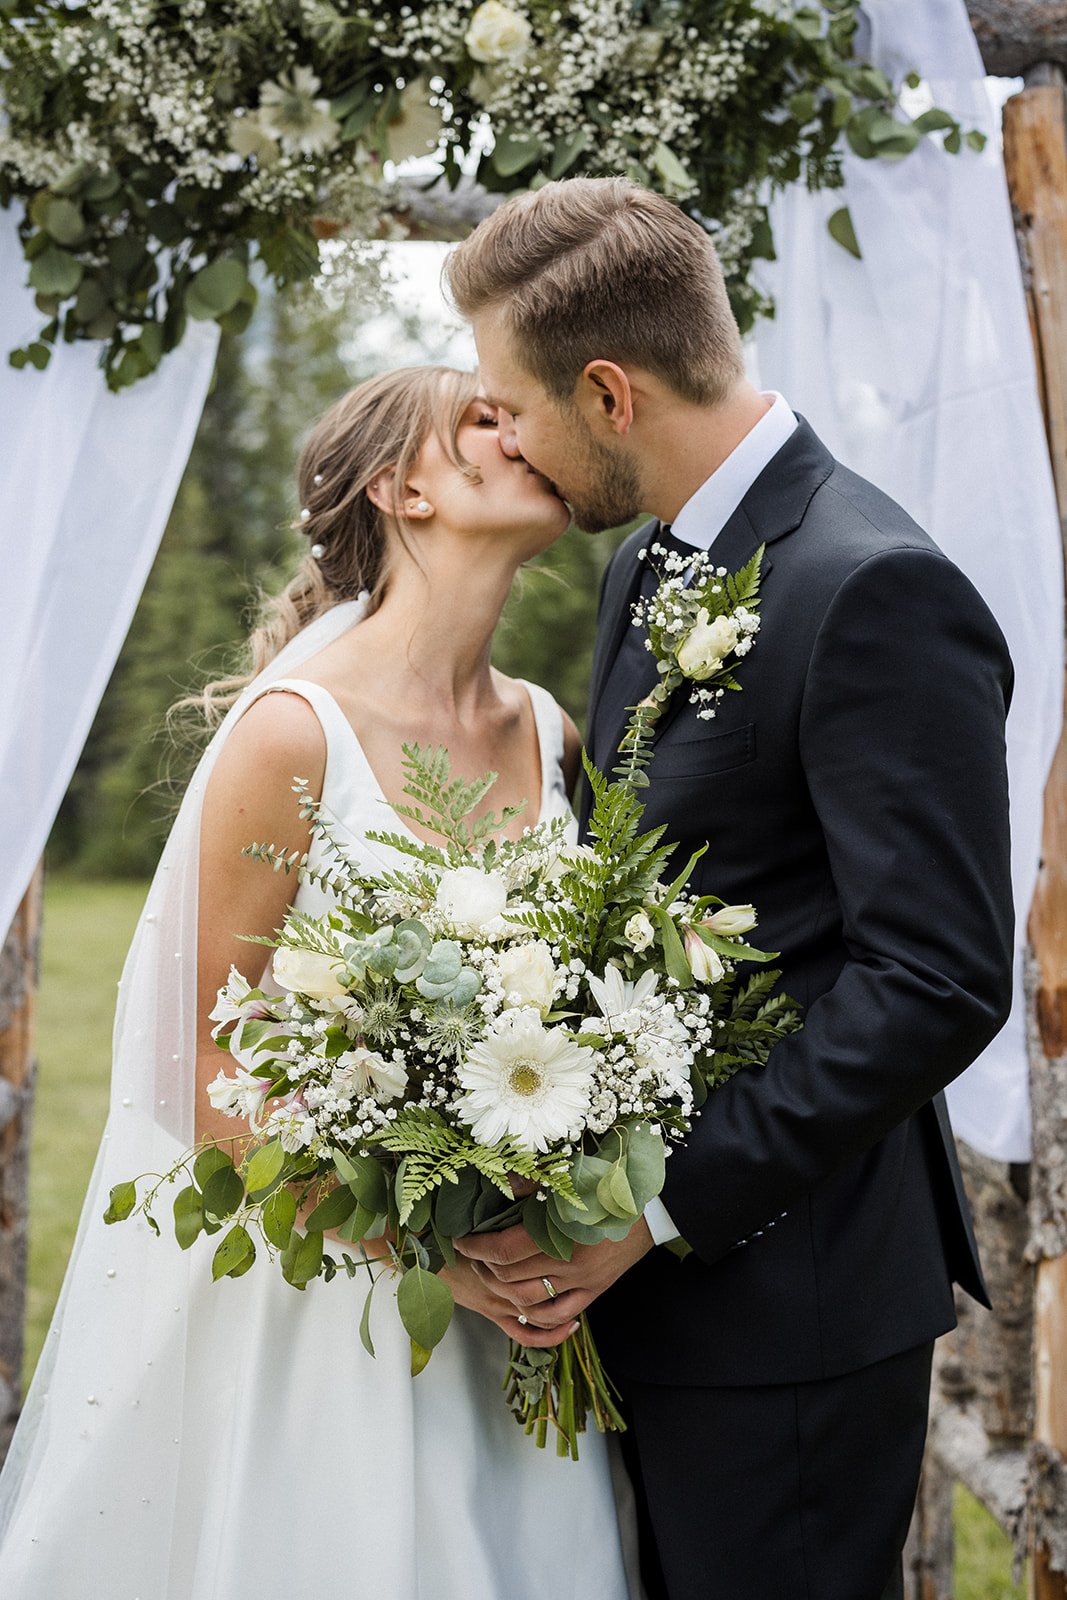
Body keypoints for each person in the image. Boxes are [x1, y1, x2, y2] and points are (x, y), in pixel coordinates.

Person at [445, 176, 1015, 1600]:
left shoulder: (872, 586)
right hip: (654, 1309)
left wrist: (651, 1212)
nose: (499, 439)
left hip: (791, 1317)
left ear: (607, 392)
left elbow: (932, 977)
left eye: (508, 406)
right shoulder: (646, 559)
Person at [0, 366, 638, 1599]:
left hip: (521, 1304)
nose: (521, 435)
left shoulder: (552, 731)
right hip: (333, 1309)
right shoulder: (294, 733)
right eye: (479, 424)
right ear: (402, 489)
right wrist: (422, 1245)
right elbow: (195, 1063)